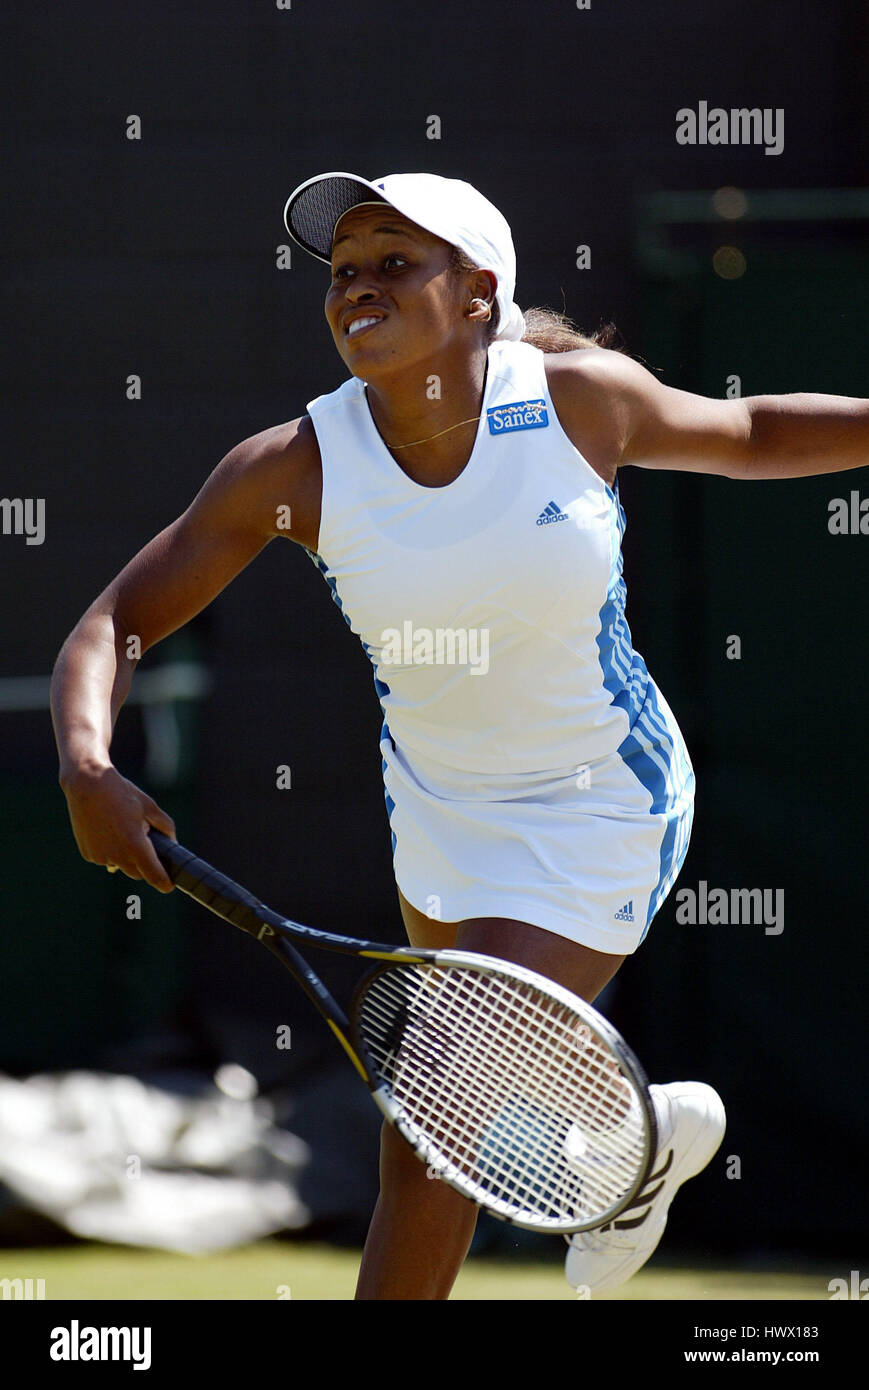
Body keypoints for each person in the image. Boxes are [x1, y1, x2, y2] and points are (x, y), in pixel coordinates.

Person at [51, 170, 868, 1302]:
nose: (357, 288)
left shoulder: (579, 401)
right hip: (439, 819)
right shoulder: (290, 468)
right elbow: (117, 623)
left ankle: (614, 1149)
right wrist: (87, 766)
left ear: (478, 292)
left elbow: (743, 429)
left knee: (428, 1114)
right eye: (342, 272)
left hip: (603, 799)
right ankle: (630, 1152)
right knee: (454, 1104)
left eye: (395, 260)